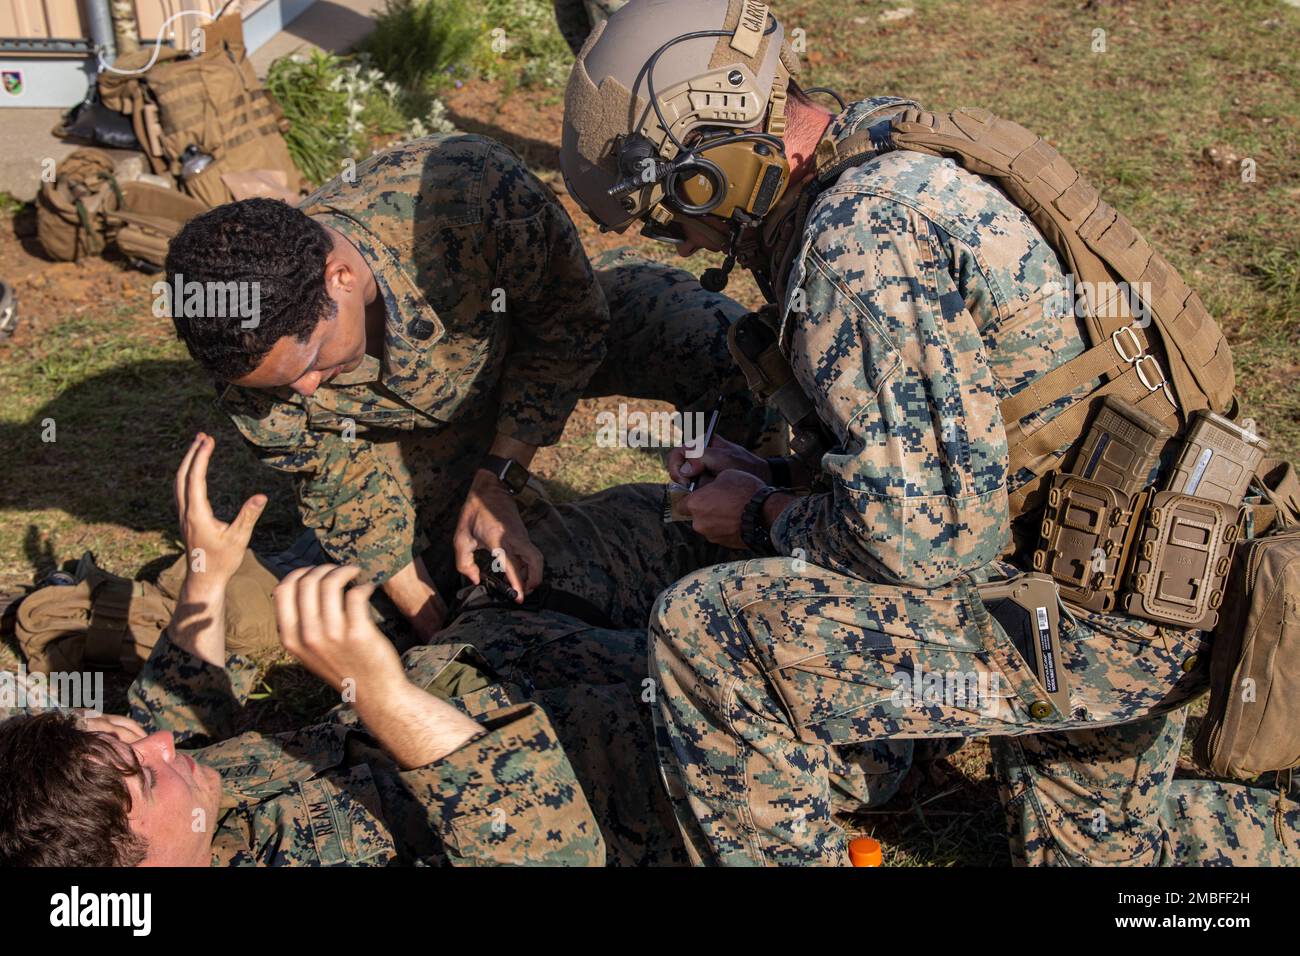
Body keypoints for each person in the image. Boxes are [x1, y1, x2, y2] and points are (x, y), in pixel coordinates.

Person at [558, 0, 1298, 865]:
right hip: (1137, 572)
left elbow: (923, 541)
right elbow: (959, 446)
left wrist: (758, 515)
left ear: (706, 166)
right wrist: (777, 476)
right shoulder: (890, 146)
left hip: (1100, 620)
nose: (682, 244)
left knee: (715, 633)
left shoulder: (854, 239)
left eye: (667, 216)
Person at [164, 132, 762, 643]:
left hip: (523, 341)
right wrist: (439, 626)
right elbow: (348, 495)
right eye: (284, 384)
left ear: (339, 278)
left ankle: (776, 515)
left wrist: (499, 476)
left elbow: (569, 324)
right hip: (412, 436)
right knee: (468, 576)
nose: (308, 390)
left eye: (314, 361)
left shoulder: (463, 190)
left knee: (719, 344)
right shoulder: (249, 366)